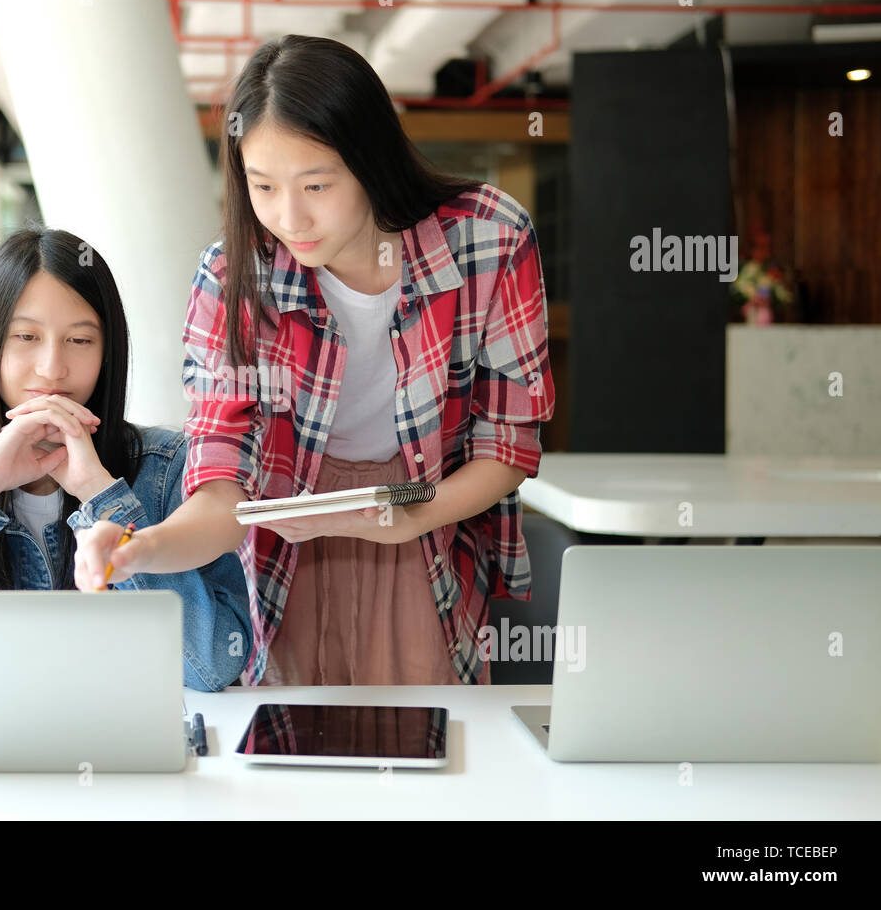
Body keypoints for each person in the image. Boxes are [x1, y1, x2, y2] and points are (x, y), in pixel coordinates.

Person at [72, 34, 555, 687]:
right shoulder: (232, 277)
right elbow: (222, 485)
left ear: (371, 160)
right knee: (289, 762)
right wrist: (140, 549)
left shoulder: (490, 239)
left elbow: (508, 448)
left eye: (317, 184)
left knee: (432, 758)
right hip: (283, 547)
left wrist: (401, 519)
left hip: (428, 532)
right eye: (263, 187)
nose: (289, 216)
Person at [0, 227, 252, 692]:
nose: (53, 369)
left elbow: (215, 664)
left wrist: (102, 495)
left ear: (108, 354)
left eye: (80, 341)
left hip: (122, 755)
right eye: (26, 336)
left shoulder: (169, 471)